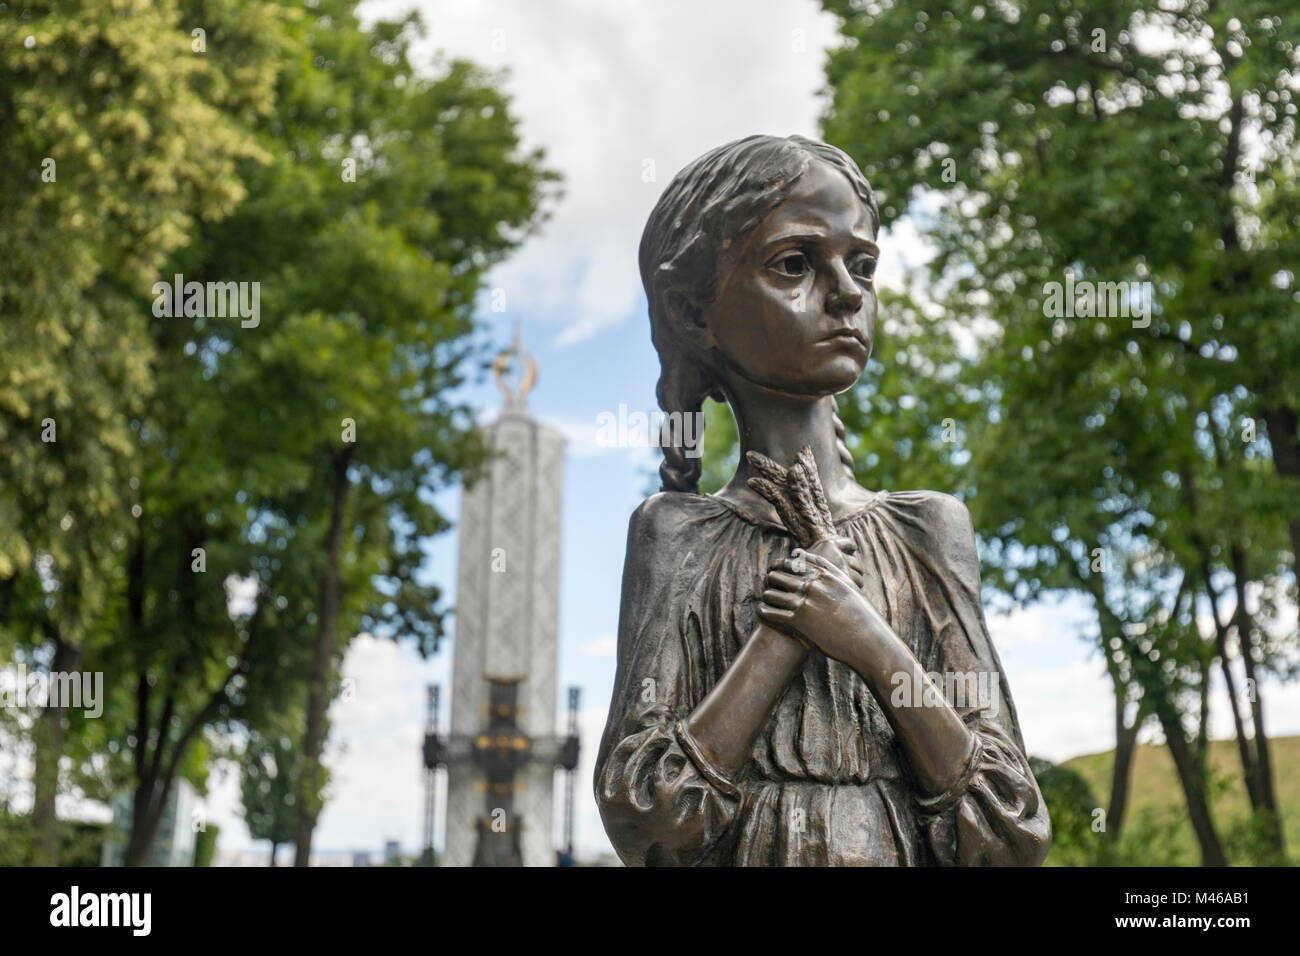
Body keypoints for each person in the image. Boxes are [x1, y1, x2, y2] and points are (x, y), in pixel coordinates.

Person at [594, 135, 1051, 866]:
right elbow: (649, 821)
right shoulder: (675, 536)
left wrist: (864, 636)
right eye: (795, 265)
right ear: (692, 311)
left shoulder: (928, 529)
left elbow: (1008, 830)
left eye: (862, 264)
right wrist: (784, 635)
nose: (845, 293)